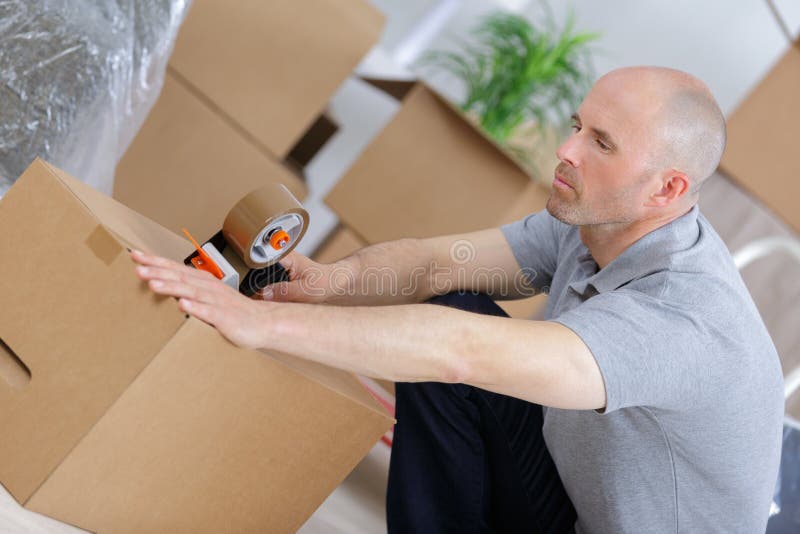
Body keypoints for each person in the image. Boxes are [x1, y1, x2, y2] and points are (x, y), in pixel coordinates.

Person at [130, 66, 784, 533]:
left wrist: (258, 325)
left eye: (600, 144)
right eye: (579, 125)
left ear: (667, 190)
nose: (565, 150)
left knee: (455, 344)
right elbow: (441, 265)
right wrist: (332, 284)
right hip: (575, 499)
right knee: (459, 306)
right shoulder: (595, 224)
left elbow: (461, 351)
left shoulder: (683, 319)